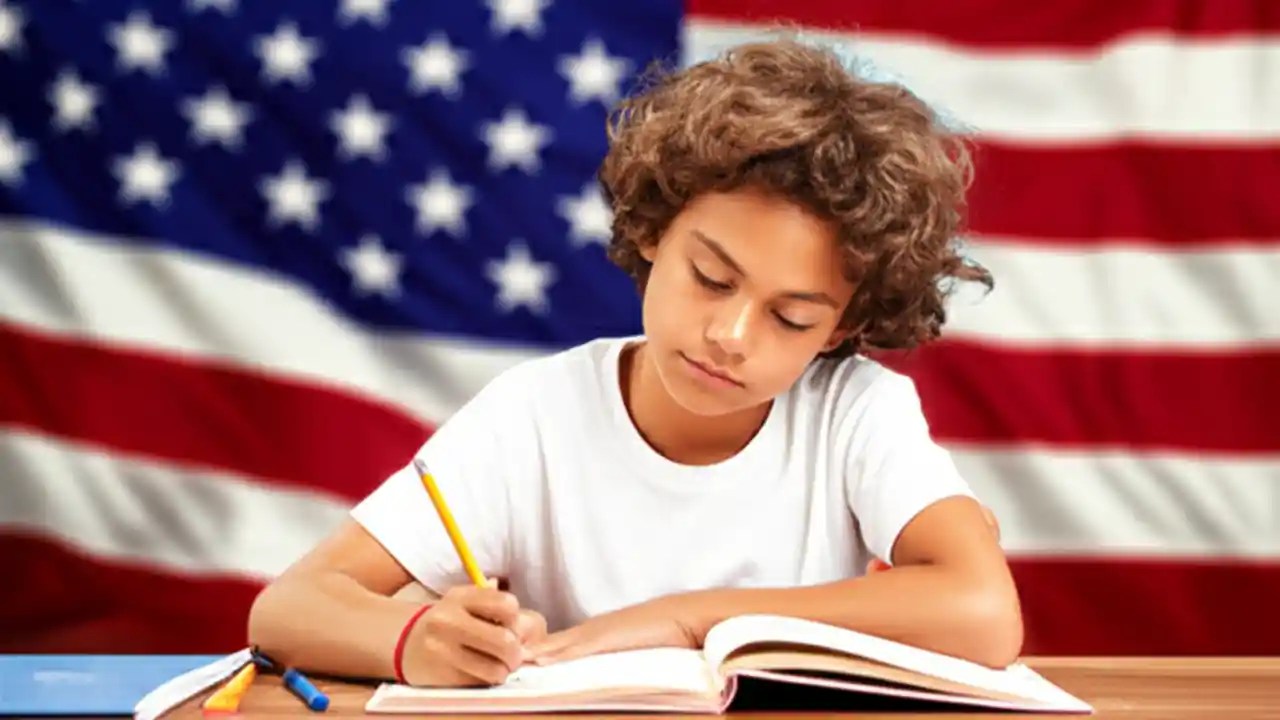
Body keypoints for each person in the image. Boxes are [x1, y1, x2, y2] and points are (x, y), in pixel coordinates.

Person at [247, 37, 1020, 689]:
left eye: (791, 316)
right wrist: (414, 637)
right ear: (653, 228)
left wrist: (685, 619)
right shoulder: (534, 414)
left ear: (842, 326)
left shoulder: (857, 412)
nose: (732, 334)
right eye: (711, 278)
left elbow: (985, 613)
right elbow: (290, 608)